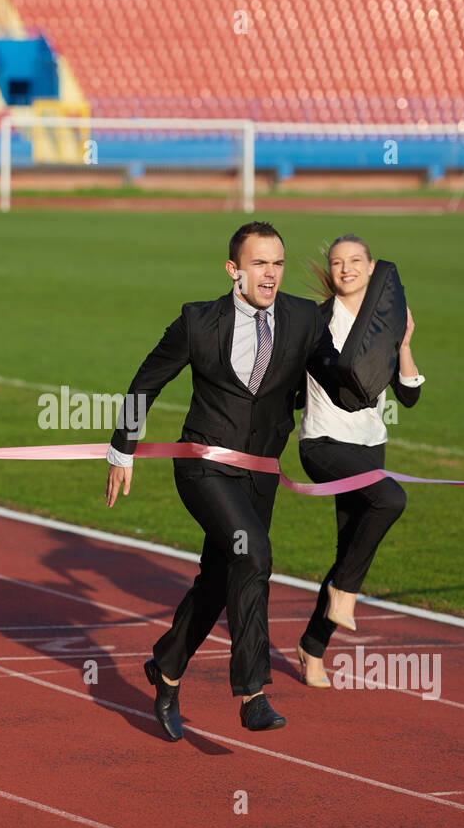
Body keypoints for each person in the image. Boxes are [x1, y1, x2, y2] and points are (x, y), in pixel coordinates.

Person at [105, 221, 365, 741]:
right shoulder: (198, 321)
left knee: (221, 577)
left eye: (278, 264)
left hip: (259, 475)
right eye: (260, 263)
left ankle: (167, 666)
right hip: (203, 466)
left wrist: (380, 362)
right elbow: (145, 382)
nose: (270, 274)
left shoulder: (301, 318)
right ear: (234, 270)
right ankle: (253, 694)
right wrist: (122, 450)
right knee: (255, 555)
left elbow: (338, 381)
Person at [295, 234, 423, 688]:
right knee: (389, 500)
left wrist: (404, 343)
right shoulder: (315, 322)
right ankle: (344, 595)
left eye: (354, 261)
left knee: (349, 551)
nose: (345, 268)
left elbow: (409, 396)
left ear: (372, 268)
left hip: (370, 445)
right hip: (323, 444)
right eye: (337, 262)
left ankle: (313, 646)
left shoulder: (384, 322)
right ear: (330, 272)